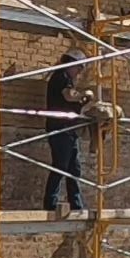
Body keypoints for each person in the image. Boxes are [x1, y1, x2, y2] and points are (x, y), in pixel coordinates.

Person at [44, 51, 91, 213]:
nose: (79, 72)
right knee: (60, 165)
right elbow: (69, 96)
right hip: (59, 128)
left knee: (74, 168)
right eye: (79, 67)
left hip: (69, 129)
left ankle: (76, 204)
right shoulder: (61, 77)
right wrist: (84, 94)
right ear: (71, 63)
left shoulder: (68, 80)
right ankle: (50, 203)